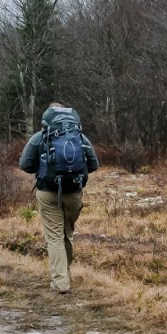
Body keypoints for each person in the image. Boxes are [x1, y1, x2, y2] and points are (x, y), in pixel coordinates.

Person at [18, 102, 99, 293]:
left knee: (54, 237)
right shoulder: (80, 137)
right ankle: (65, 271)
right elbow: (94, 164)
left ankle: (60, 283)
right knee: (67, 234)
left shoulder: (40, 137)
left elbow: (25, 165)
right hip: (74, 191)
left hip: (48, 192)